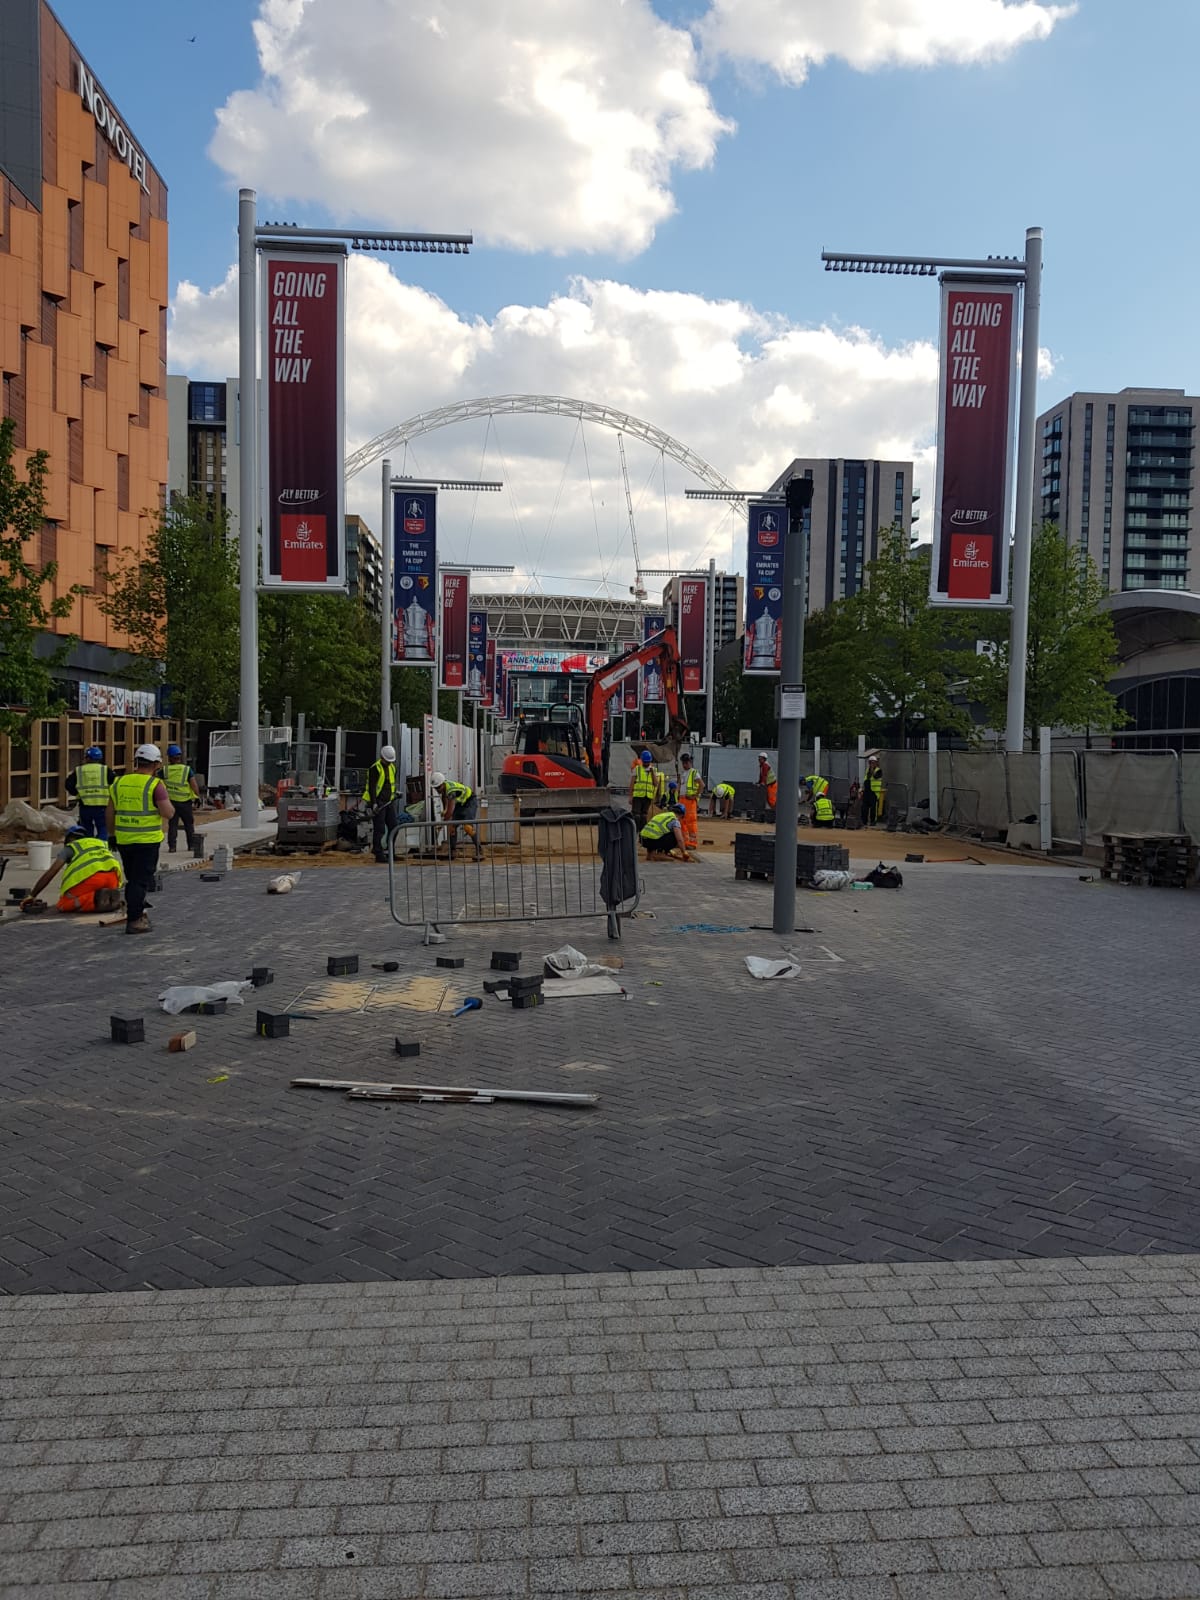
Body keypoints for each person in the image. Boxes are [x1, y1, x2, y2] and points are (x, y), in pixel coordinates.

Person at [106, 744, 173, 935]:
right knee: (139, 881)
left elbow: (109, 813)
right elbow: (167, 812)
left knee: (132, 878)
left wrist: (112, 835)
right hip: (147, 840)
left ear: (136, 762)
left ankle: (137, 911)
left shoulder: (118, 783)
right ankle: (135, 920)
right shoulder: (155, 785)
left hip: (124, 840)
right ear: (157, 764)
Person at [21, 824, 123, 914]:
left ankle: (96, 899)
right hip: (113, 879)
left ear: (68, 840)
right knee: (93, 890)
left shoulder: (71, 847)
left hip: (92, 880)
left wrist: (32, 895)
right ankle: (111, 899)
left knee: (63, 904)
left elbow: (51, 873)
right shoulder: (100, 842)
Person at [66, 745, 113, 839]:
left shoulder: (79, 770)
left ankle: (89, 849)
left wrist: (77, 793)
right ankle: (101, 849)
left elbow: (68, 785)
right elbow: (114, 784)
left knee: (86, 829)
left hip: (85, 805)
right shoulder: (105, 770)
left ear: (87, 757)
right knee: (103, 828)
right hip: (102, 806)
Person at [433, 772, 482, 859]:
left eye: (438, 787)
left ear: (443, 784)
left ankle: (479, 850)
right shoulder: (444, 788)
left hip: (470, 801)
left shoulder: (452, 791)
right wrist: (445, 810)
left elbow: (450, 812)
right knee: (452, 826)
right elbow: (444, 799)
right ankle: (453, 851)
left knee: (468, 827)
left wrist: (442, 823)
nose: (438, 790)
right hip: (461, 803)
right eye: (436, 788)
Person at [163, 744, 201, 854]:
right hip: (185, 802)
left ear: (169, 757)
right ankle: (191, 846)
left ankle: (172, 847)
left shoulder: (164, 770)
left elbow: (157, 783)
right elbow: (194, 785)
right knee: (189, 824)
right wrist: (197, 796)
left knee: (173, 825)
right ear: (179, 757)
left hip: (171, 802)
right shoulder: (187, 770)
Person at [366, 744, 399, 863]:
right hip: (379, 803)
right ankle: (378, 853)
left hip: (389, 801)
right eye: (387, 760)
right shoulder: (375, 768)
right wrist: (374, 803)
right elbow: (372, 787)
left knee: (394, 826)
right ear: (382, 757)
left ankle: (391, 852)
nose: (389, 763)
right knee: (379, 829)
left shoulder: (392, 767)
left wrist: (395, 793)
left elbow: (391, 784)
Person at [679, 751, 704, 850]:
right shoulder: (683, 773)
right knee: (682, 822)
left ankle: (692, 843)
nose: (685, 765)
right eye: (684, 763)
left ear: (690, 762)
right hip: (682, 800)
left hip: (689, 801)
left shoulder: (694, 772)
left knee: (690, 822)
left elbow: (702, 785)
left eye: (686, 762)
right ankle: (685, 841)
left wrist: (695, 796)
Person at [629, 749, 659, 832]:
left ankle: (643, 834)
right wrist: (630, 796)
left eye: (648, 762)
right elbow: (632, 784)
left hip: (647, 797)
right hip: (638, 796)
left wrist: (652, 772)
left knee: (644, 816)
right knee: (636, 816)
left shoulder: (653, 770)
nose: (646, 764)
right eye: (645, 762)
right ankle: (634, 832)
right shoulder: (637, 769)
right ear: (642, 760)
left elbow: (656, 784)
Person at [862, 756, 885, 826]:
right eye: (870, 762)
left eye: (873, 762)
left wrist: (872, 769)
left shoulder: (879, 770)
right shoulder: (867, 770)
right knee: (864, 807)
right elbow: (866, 780)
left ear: (876, 763)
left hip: (874, 792)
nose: (871, 764)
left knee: (873, 808)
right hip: (866, 792)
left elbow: (875, 776)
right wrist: (862, 789)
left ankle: (872, 821)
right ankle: (864, 821)